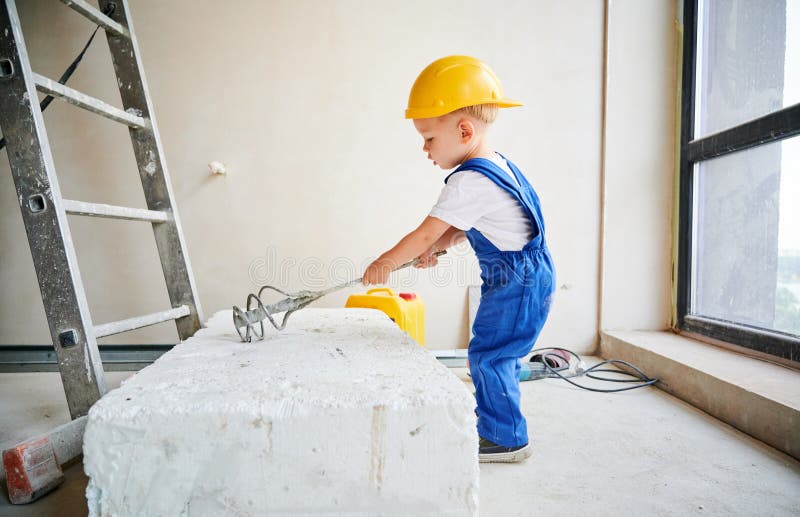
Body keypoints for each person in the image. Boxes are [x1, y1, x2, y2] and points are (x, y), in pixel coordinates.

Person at [362, 55, 555, 463]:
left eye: (429, 138)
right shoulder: (497, 167)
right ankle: (495, 419)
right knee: (491, 351)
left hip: (516, 282)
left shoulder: (469, 181)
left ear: (464, 130)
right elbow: (464, 228)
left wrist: (384, 263)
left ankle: (506, 438)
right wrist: (440, 248)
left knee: (491, 354)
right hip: (525, 275)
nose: (425, 148)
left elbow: (427, 231)